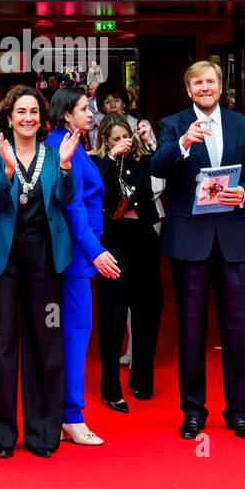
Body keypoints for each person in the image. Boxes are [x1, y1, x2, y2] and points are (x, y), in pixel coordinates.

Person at [151, 61, 245, 440]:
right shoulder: (172, 125)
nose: (205, 87)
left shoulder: (242, 124)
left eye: (211, 81)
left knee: (237, 329)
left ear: (220, 86)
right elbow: (156, 167)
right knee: (191, 328)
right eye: (198, 83)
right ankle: (192, 410)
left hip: (232, 238)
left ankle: (238, 411)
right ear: (188, 90)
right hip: (190, 240)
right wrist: (183, 143)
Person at [0, 86, 78, 458]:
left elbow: (65, 198)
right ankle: (0, 434)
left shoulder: (55, 154)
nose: (28, 117)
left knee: (46, 341)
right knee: (0, 343)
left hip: (45, 256)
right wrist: (9, 170)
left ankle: (43, 433)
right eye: (21, 112)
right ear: (9, 117)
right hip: (3, 257)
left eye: (34, 111)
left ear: (42, 117)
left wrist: (65, 168)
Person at [47, 86, 118, 446]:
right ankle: (71, 416)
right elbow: (72, 207)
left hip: (79, 252)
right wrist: (95, 251)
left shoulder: (73, 142)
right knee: (75, 332)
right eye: (83, 109)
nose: (91, 114)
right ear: (66, 115)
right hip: (74, 254)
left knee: (74, 332)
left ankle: (65, 413)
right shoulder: (64, 147)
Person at [93, 114, 162, 408]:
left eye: (126, 137)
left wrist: (150, 143)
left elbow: (162, 174)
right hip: (114, 242)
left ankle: (142, 378)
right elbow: (99, 191)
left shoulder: (143, 158)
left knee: (149, 311)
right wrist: (110, 157)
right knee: (113, 317)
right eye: (116, 138)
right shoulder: (99, 162)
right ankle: (111, 387)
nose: (123, 143)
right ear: (105, 141)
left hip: (144, 238)